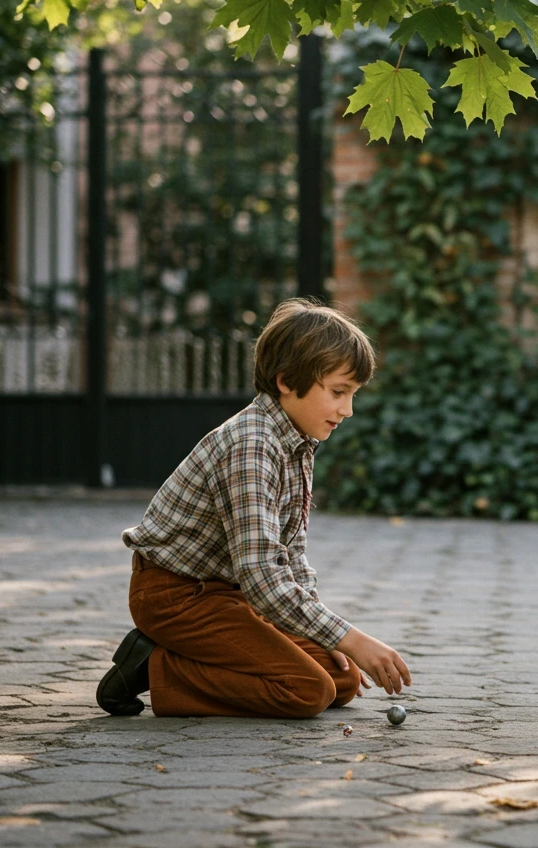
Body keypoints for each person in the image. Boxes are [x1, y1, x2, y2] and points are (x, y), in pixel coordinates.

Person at [96, 298, 412, 718]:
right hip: (177, 597)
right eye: (338, 392)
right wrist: (351, 637)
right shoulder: (252, 445)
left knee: (342, 680)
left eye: (352, 395)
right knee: (305, 691)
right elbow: (261, 575)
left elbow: (291, 556)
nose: (347, 410)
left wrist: (328, 637)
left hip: (231, 595)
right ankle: (153, 664)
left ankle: (192, 659)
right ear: (285, 381)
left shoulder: (297, 442)